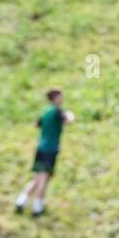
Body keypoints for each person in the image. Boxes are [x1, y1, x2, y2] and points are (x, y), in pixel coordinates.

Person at [15, 89, 72, 218]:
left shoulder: (45, 111)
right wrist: (70, 114)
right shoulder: (58, 111)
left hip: (40, 148)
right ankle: (37, 208)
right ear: (55, 98)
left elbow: (37, 124)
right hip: (50, 150)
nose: (62, 99)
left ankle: (21, 201)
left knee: (37, 177)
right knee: (44, 179)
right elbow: (68, 121)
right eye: (60, 97)